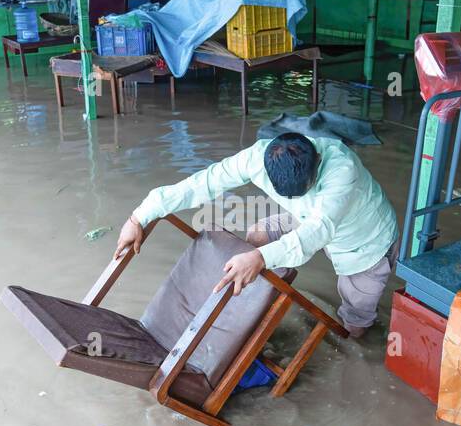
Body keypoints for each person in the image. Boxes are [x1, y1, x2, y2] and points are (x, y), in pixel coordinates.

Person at [115, 133, 399, 338]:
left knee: (354, 326)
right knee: (257, 236)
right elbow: (202, 184)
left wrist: (260, 259)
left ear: (318, 161)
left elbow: (316, 232)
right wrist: (139, 216)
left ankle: (357, 331)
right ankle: (249, 309)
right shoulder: (257, 157)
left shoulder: (342, 171)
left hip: (362, 241)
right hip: (305, 216)